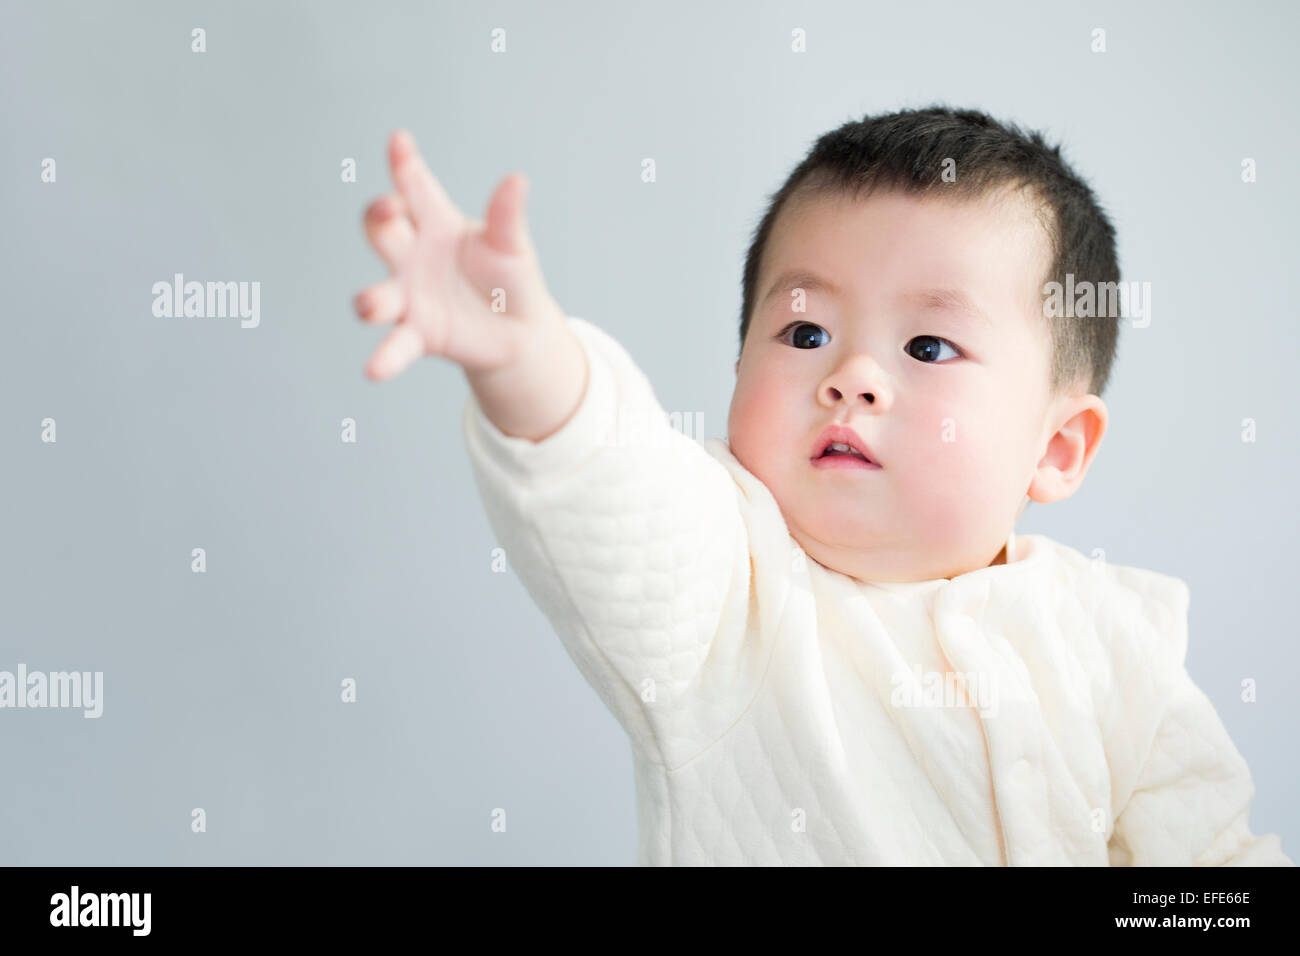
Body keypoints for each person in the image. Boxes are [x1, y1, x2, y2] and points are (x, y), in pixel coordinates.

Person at [351, 106, 1292, 866]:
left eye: (929, 346)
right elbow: (618, 489)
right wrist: (526, 357)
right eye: (805, 333)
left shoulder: (1115, 648)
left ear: (1056, 448)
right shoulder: (730, 596)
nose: (852, 377)